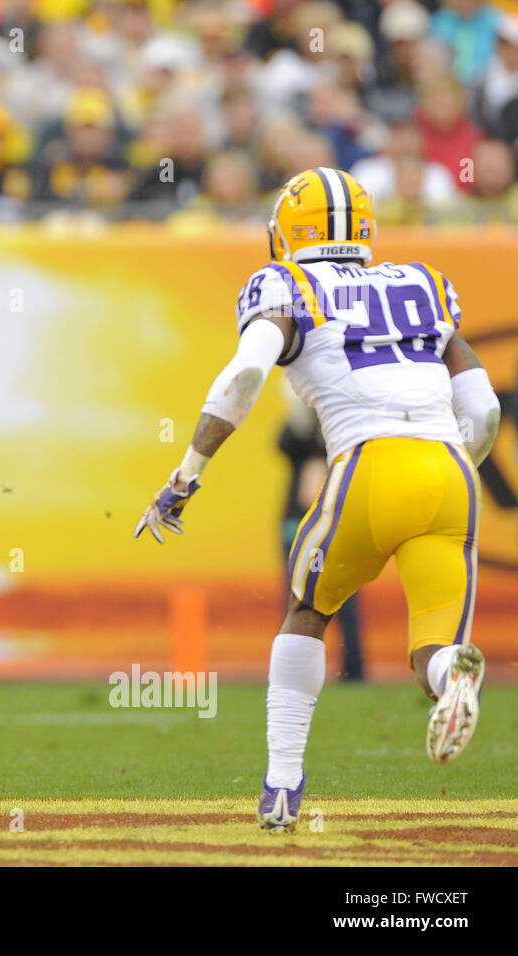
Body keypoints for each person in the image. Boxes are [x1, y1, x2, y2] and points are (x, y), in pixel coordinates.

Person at [135, 167, 500, 832]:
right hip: (450, 469)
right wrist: (450, 470)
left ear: (287, 231)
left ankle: (281, 785)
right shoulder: (421, 283)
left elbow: (245, 373)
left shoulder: (285, 284)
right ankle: (455, 679)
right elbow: (484, 405)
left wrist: (187, 474)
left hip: (366, 462)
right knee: (431, 649)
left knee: (307, 611)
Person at [277, 395, 364, 681]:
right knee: (295, 598)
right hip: (297, 523)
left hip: (336, 523)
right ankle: (293, 671)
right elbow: (283, 443)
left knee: (345, 600)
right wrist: (305, 419)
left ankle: (353, 670)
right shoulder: (299, 437)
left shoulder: (345, 432)